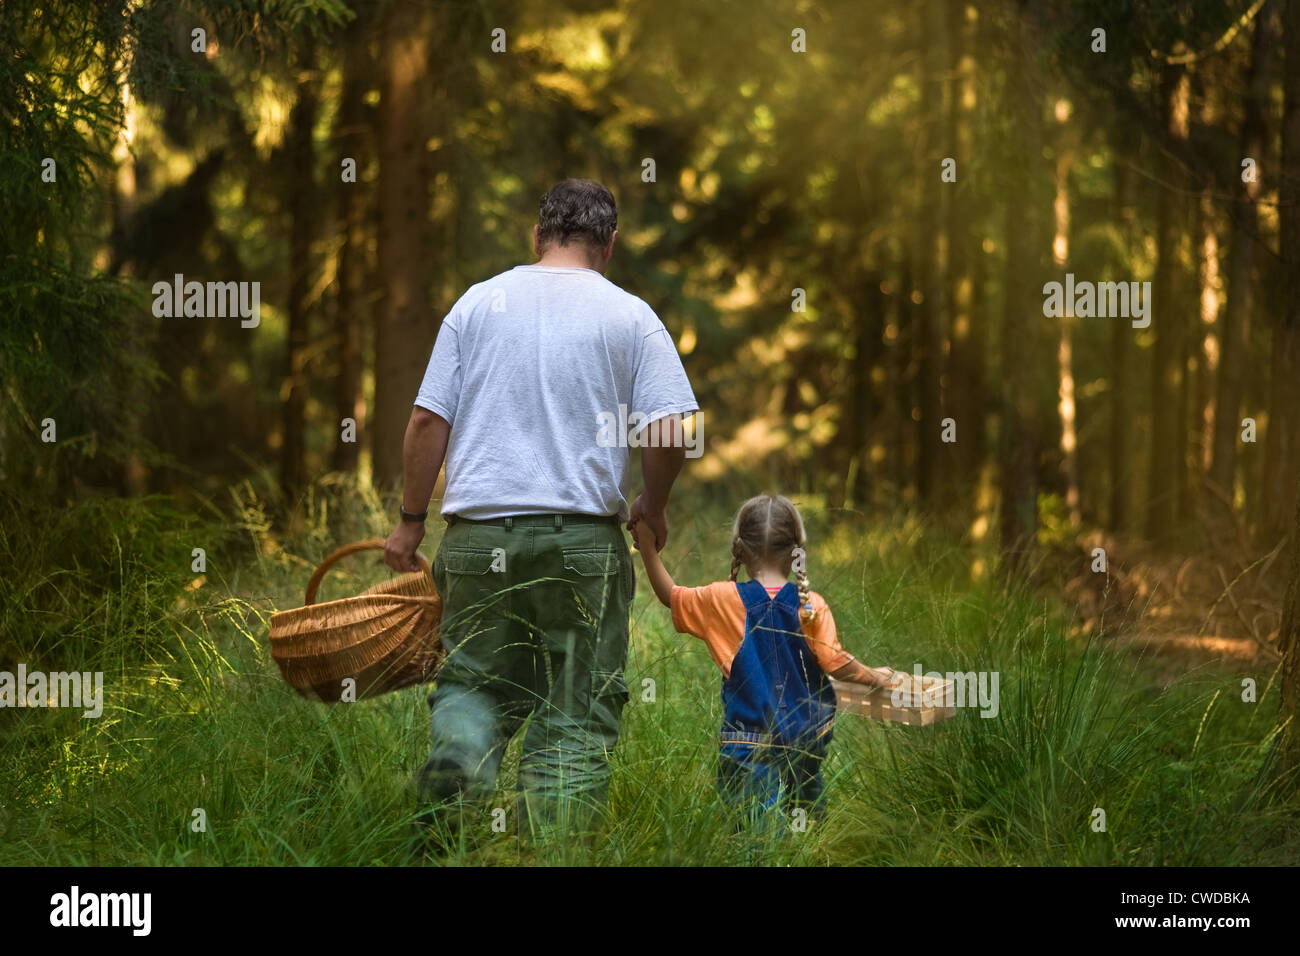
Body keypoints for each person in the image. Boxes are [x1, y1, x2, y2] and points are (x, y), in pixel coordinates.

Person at [383, 178, 698, 840]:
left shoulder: (476, 305)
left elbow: (424, 420)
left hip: (475, 538)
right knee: (574, 709)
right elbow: (670, 432)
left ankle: (462, 759)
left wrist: (413, 520)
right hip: (581, 545)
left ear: (537, 236)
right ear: (608, 246)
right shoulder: (630, 316)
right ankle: (543, 853)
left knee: (471, 683)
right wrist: (652, 503)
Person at [632, 493, 896, 824]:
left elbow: (670, 596)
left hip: (748, 744)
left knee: (755, 842)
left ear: (739, 549)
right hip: (805, 741)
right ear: (796, 550)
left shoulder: (723, 599)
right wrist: (874, 676)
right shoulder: (811, 604)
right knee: (807, 829)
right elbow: (835, 662)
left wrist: (645, 544)